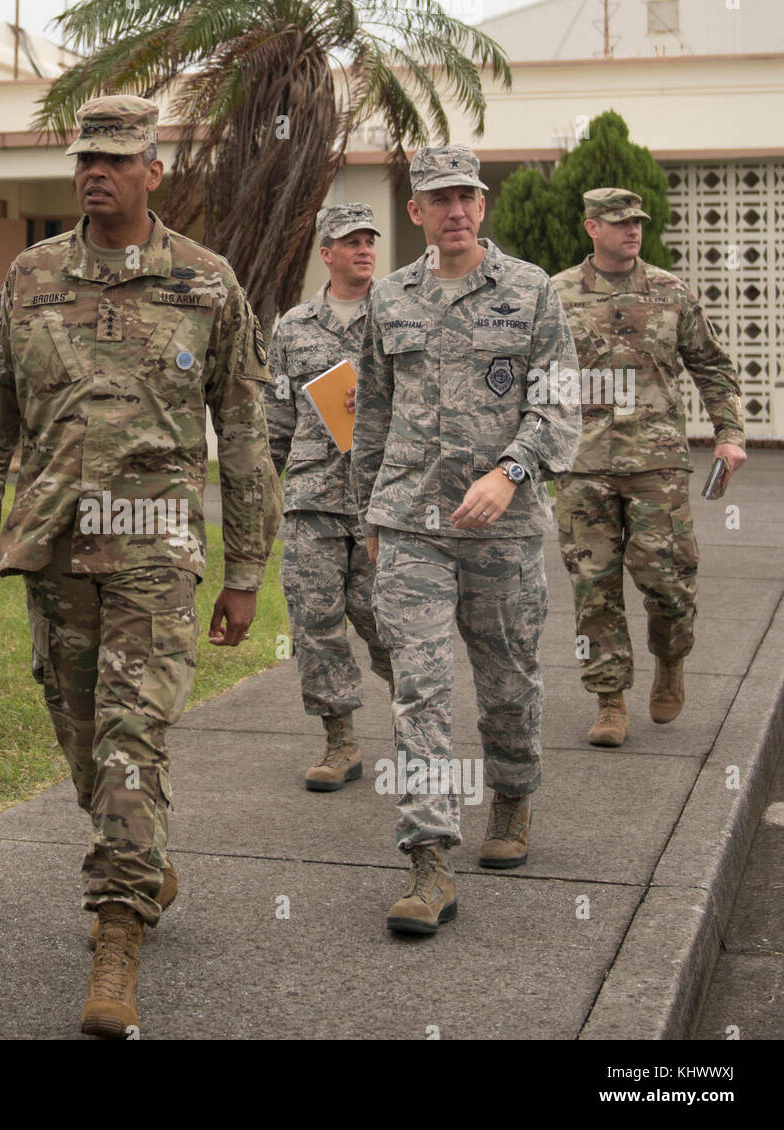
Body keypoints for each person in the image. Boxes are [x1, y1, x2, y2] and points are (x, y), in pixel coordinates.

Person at [0, 94, 280, 1036]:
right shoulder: (31, 279)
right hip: (53, 550)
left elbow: (246, 435)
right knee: (88, 747)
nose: (97, 172)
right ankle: (145, 857)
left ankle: (116, 936)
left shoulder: (207, 285)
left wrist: (246, 567)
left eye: (118, 159)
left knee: (134, 742)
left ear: (153, 172)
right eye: (87, 156)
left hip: (156, 555)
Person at [353, 145, 581, 935]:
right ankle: (428, 861)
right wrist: (369, 520)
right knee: (419, 687)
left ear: (483, 207)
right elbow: (370, 417)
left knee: (508, 681)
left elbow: (558, 405)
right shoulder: (388, 298)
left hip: (504, 529)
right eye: (438, 199)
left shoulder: (531, 292)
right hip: (412, 522)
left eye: (467, 197)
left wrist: (512, 471)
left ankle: (513, 795)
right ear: (415, 212)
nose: (455, 210)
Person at [551, 188, 746, 747]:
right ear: (592, 228)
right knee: (594, 587)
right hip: (582, 464)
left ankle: (670, 657)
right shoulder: (557, 295)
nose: (631, 230)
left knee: (668, 582)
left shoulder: (670, 292)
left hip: (656, 464)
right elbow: (528, 373)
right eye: (618, 223)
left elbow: (712, 366)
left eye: (637, 222)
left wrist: (728, 434)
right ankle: (609, 700)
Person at [264, 203, 392, 792]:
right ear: (327, 252)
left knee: (386, 622)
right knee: (315, 622)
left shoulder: (399, 315)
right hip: (312, 497)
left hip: (384, 500)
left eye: (370, 239)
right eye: (351, 240)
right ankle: (339, 742)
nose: (365, 248)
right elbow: (277, 418)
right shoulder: (293, 328)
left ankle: (420, 726)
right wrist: (262, 487)